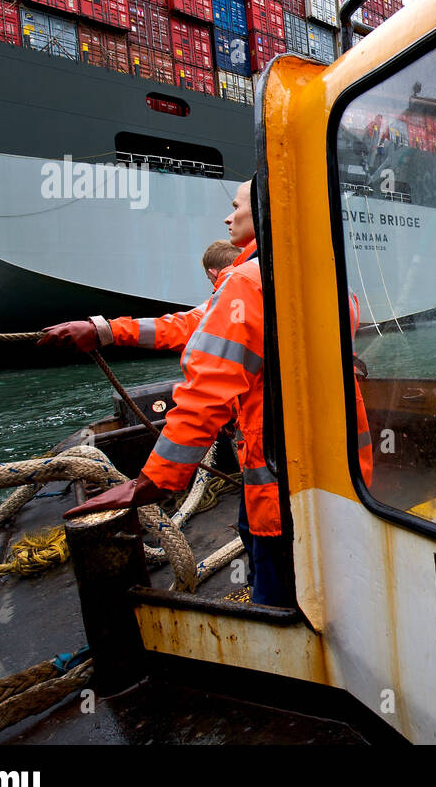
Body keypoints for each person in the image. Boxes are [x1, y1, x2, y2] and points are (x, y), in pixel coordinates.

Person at [64, 180, 374, 606]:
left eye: (237, 206)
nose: (229, 217)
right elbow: (196, 324)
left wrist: (154, 482)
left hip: (279, 484)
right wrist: (107, 331)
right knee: (327, 576)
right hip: (342, 477)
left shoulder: (248, 283)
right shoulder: (329, 276)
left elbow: (207, 389)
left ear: (264, 211)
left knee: (280, 595)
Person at [38, 240, 240, 353]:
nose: (229, 219)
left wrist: (103, 330)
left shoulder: (225, 302)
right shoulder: (259, 284)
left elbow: (177, 328)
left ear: (212, 273)